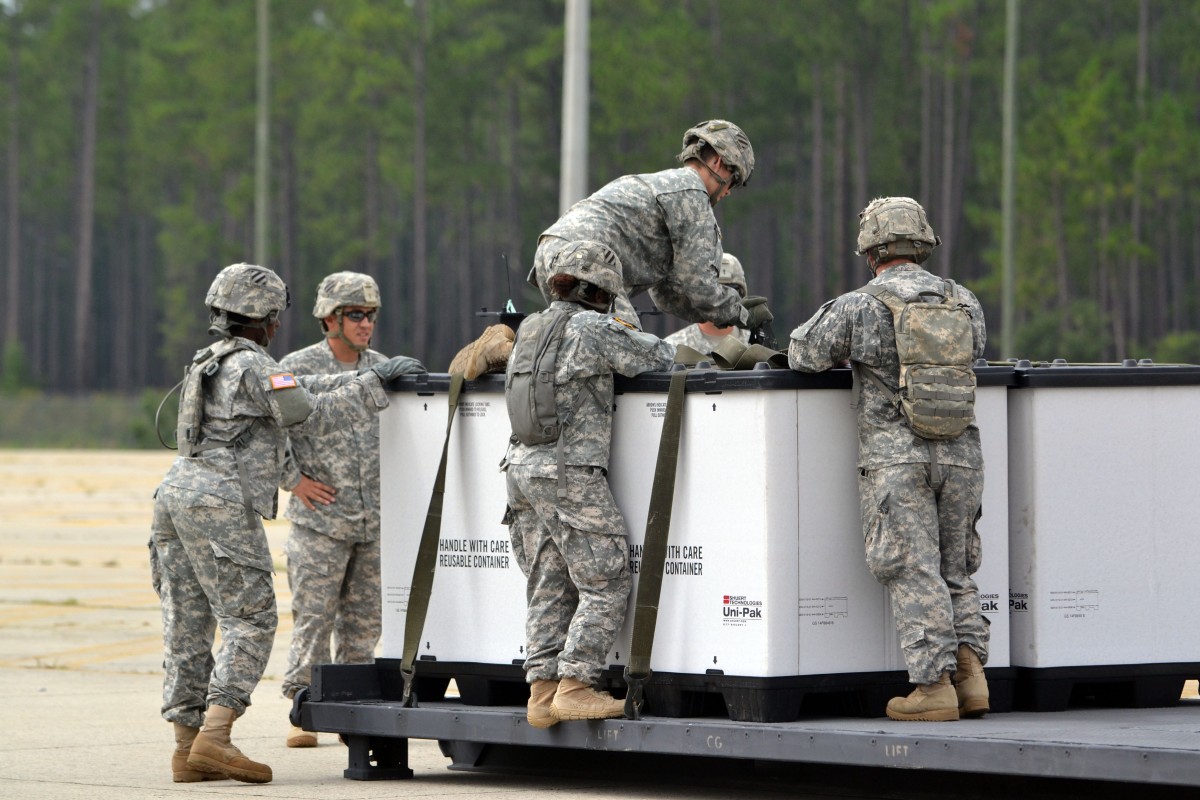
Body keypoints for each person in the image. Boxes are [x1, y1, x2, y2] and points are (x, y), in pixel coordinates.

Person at [149, 263, 425, 783]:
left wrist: (361, 373)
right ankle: (216, 737)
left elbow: (297, 384)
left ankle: (186, 750)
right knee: (250, 621)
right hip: (220, 502)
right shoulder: (258, 366)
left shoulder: (209, 360)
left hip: (176, 494)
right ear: (267, 318)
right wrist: (369, 383)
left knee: (188, 625)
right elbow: (306, 408)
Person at [787, 197, 989, 722]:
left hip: (897, 460)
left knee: (912, 568)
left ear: (872, 250)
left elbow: (802, 353)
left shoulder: (860, 305)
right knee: (956, 570)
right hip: (963, 454)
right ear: (922, 245)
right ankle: (971, 678)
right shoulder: (964, 301)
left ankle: (932, 686)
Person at [503, 240, 675, 727]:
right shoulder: (592, 328)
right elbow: (658, 355)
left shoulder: (530, 328)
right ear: (601, 291)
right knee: (606, 580)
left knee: (548, 581)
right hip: (567, 473)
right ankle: (576, 683)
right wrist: (622, 317)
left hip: (520, 471)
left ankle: (541, 691)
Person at [276, 272, 396, 748]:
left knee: (364, 625)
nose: (366, 323)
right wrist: (294, 480)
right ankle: (303, 706)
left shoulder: (385, 367)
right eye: (356, 314)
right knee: (314, 618)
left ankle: (353, 712)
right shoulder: (293, 367)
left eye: (371, 315)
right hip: (321, 524)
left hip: (373, 522)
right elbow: (271, 434)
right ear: (330, 319)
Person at [528, 119, 773, 335]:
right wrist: (742, 315)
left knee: (583, 352)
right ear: (719, 163)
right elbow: (701, 288)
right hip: (588, 267)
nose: (729, 191)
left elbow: (666, 296)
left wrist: (717, 314)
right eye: (734, 180)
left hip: (553, 256)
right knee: (636, 354)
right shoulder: (692, 194)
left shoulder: (663, 186)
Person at [664, 252, 751, 355]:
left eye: (730, 292)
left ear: (741, 294)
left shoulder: (755, 346)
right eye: (711, 293)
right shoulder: (673, 348)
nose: (720, 300)